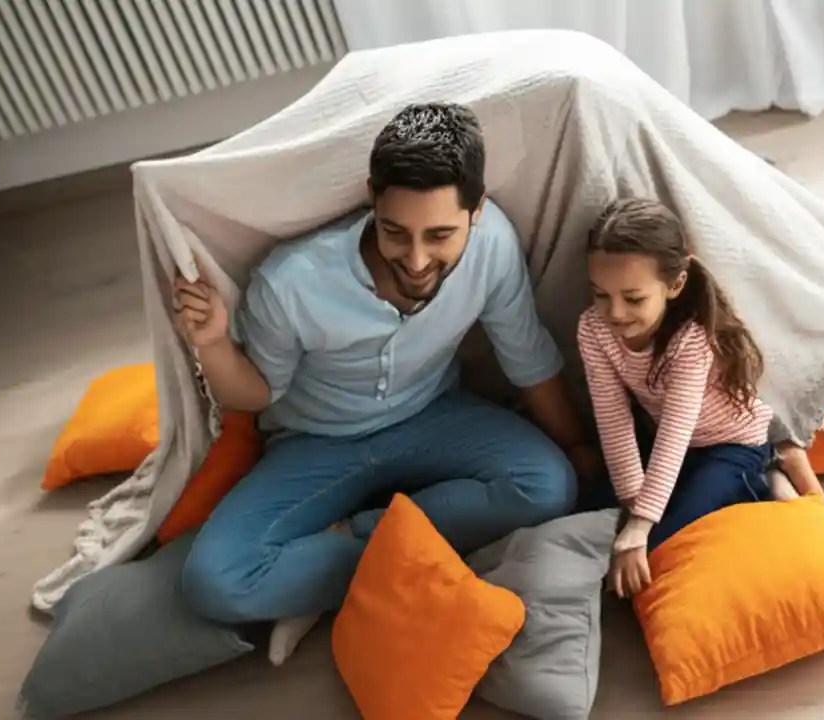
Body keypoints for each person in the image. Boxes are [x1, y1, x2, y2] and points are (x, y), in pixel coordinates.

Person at [173, 103, 600, 662]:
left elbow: (529, 361)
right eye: (395, 231)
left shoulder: (494, 243)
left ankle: (343, 556)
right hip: (313, 441)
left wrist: (574, 449)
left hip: (434, 415)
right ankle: (387, 572)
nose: (417, 259)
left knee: (548, 484)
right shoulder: (293, 281)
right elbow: (253, 396)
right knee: (212, 581)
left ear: (478, 208)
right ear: (373, 195)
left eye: (441, 235)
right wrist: (212, 344)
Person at [576, 198, 823, 599]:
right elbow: (614, 420)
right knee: (593, 513)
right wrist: (628, 505)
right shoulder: (592, 329)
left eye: (633, 298)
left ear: (675, 284)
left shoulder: (691, 339)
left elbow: (676, 429)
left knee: (659, 546)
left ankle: (770, 470)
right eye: (601, 294)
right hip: (666, 446)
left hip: (730, 445)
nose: (615, 313)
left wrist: (640, 527)